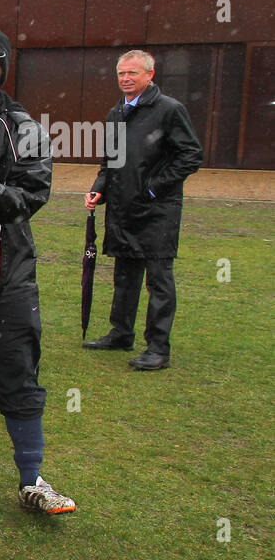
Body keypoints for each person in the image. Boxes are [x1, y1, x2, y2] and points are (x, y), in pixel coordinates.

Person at [0, 28, 75, 514]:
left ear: (4, 68)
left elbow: (31, 196)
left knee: (17, 377)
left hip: (5, 276)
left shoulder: (21, 124)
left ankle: (33, 479)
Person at [84, 49, 203, 370]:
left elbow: (191, 155)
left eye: (132, 73)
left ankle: (158, 348)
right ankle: (121, 334)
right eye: (121, 74)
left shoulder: (169, 111)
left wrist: (153, 187)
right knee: (124, 277)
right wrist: (99, 189)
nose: (125, 79)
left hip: (157, 212)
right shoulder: (116, 113)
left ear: (150, 75)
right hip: (123, 211)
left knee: (159, 281)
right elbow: (111, 161)